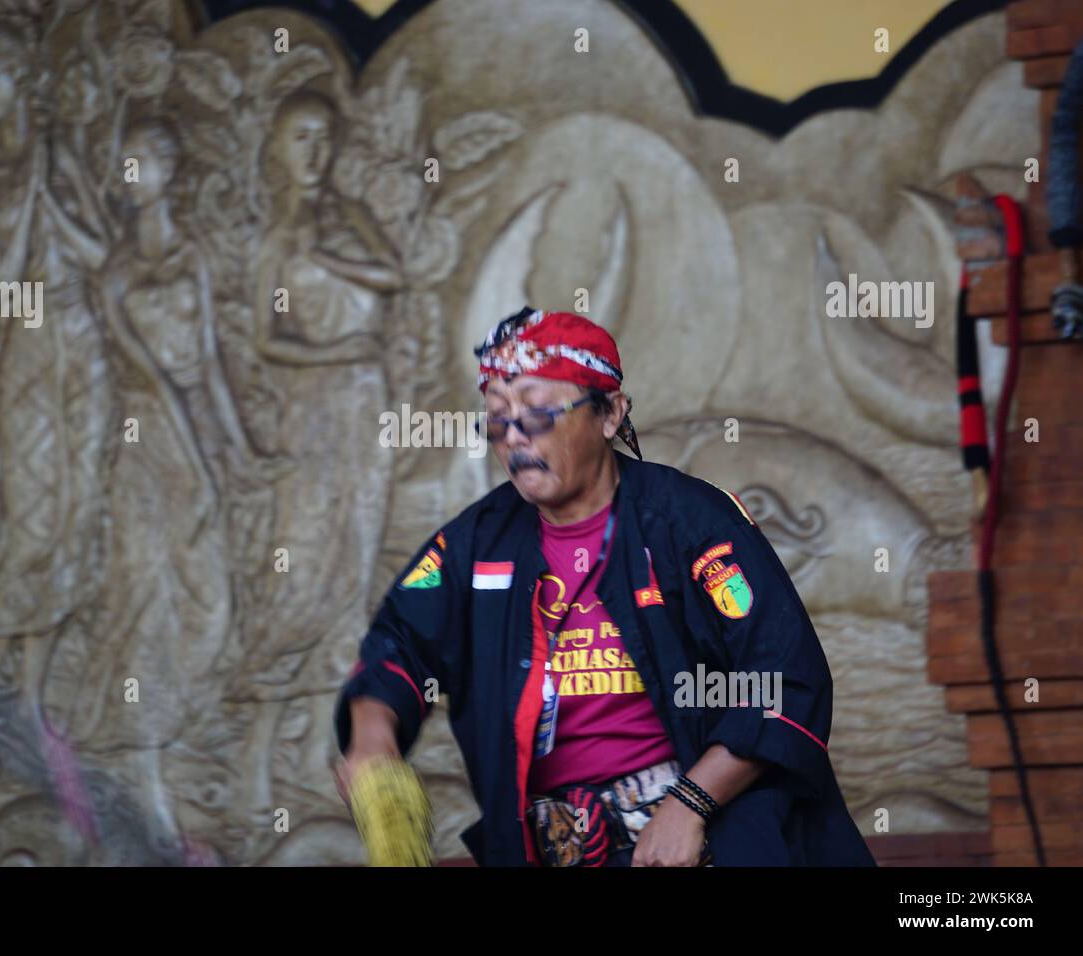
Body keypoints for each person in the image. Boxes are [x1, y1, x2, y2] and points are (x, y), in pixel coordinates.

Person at [332, 305, 875, 867]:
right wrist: (374, 742)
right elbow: (398, 642)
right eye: (497, 418)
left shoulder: (689, 524)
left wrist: (690, 803)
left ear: (610, 413)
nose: (515, 437)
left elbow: (786, 679)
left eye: (539, 414)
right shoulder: (477, 545)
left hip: (701, 841)